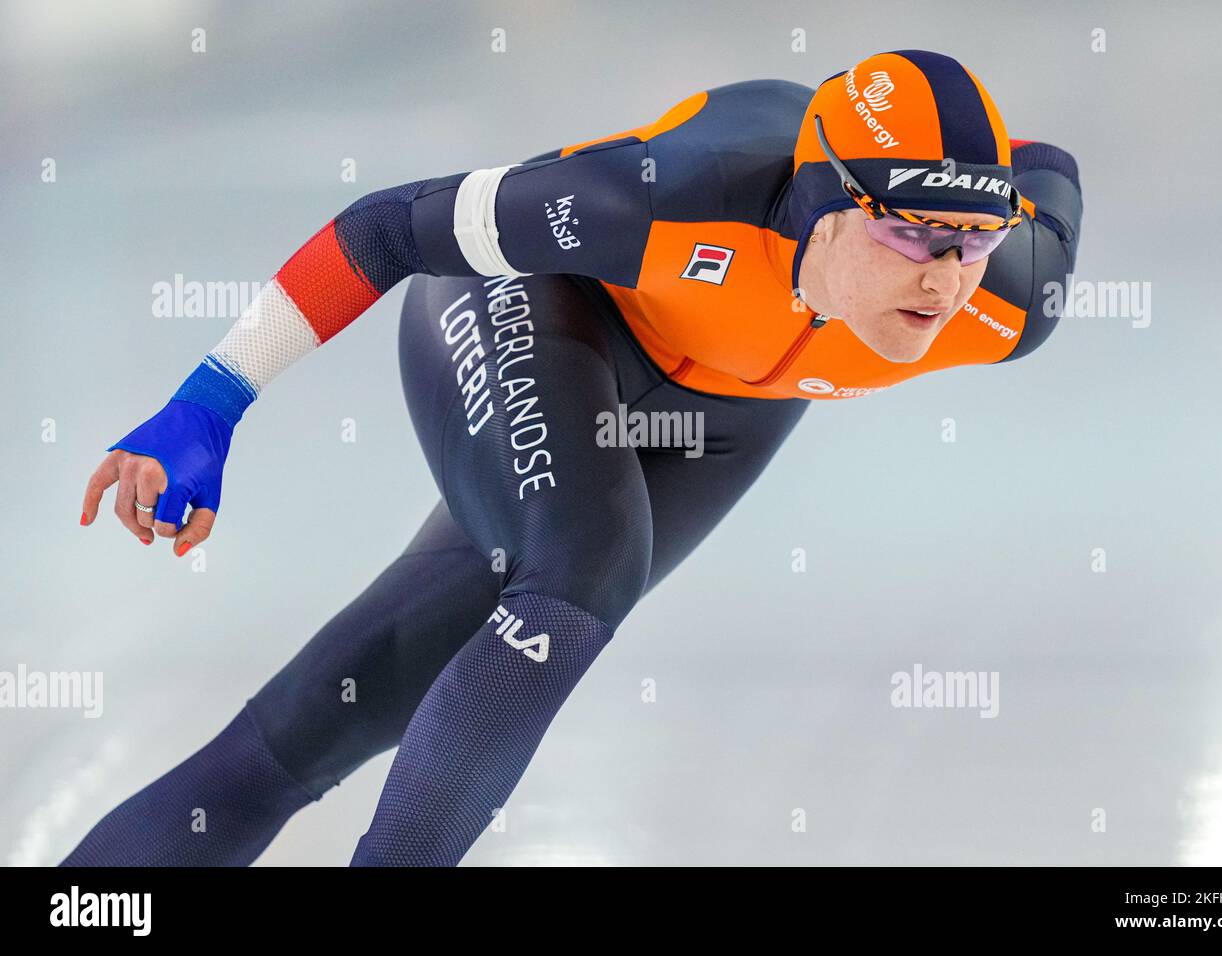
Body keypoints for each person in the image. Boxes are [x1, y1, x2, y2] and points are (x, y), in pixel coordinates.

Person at [64, 49, 1082, 866]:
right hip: (545, 305)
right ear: (823, 203)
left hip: (727, 412)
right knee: (585, 563)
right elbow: (382, 231)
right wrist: (207, 403)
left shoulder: (1008, 300)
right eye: (912, 235)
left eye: (974, 236)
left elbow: (1051, 173)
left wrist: (993, 184)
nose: (947, 280)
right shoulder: (663, 201)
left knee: (329, 714)